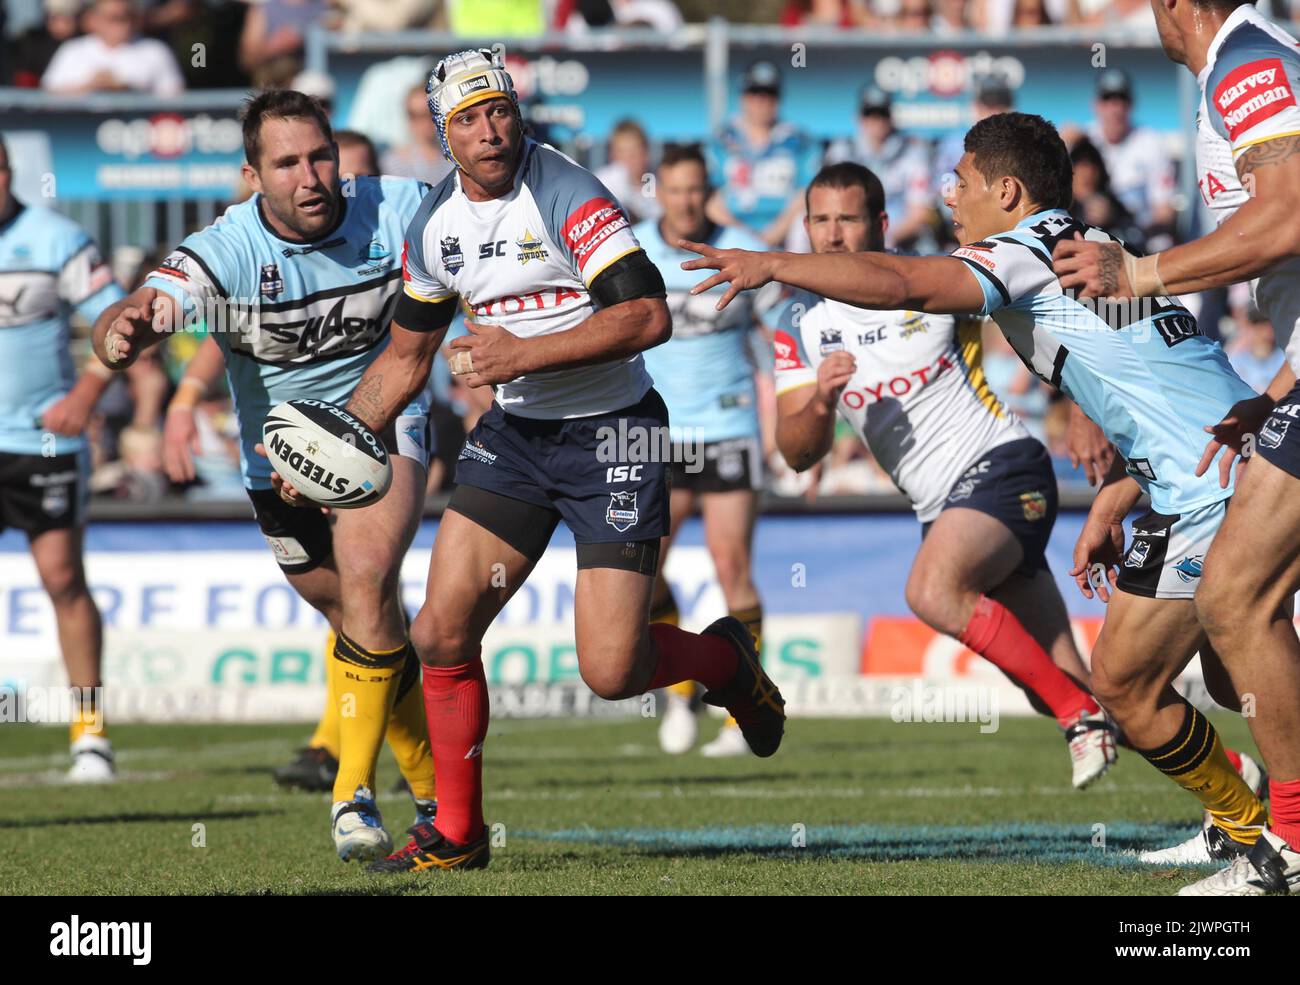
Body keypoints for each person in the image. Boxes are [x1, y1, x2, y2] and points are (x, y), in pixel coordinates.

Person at [681, 110, 1271, 887]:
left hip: (1202, 488)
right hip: (1207, 475)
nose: (949, 198)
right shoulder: (1084, 249)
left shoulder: (1020, 250)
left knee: (1176, 680)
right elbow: (1143, 377)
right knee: (1170, 682)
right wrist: (1117, 495)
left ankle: (1272, 842)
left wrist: (771, 261)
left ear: (1007, 190)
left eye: (959, 184)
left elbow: (900, 282)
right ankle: (1245, 820)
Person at [276, 48, 786, 873]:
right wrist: (337, 438)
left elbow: (649, 316)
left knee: (614, 670)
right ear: (443, 136)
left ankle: (728, 662)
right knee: (440, 632)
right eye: (469, 120)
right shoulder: (436, 225)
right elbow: (406, 359)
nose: (491, 131)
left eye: (500, 111)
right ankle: (459, 831)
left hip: (616, 429)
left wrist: (522, 355)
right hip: (516, 442)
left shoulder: (566, 192)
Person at [91, 89, 439, 863]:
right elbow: (151, 302)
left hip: (382, 420)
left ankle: (352, 796)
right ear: (253, 175)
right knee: (360, 616)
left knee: (370, 570)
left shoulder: (401, 206)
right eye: (287, 163)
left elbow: (484, 226)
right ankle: (437, 792)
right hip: (273, 458)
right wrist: (123, 329)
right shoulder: (229, 247)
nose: (311, 175)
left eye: (321, 156)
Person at [1054, 0, 1300, 896]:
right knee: (1240, 615)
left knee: (1236, 597)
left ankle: (1289, 851)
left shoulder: (1247, 61)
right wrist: (1270, 397)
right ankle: (1275, 835)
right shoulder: (1244, 64)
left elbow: (1287, 219)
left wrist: (1140, 273)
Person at [774, 161, 1116, 787]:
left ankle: (1079, 719)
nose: (832, 235)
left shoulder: (931, 281)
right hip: (946, 508)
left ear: (879, 223)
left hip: (1005, 466)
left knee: (931, 591)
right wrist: (821, 403)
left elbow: (1047, 305)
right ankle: (1234, 789)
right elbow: (796, 452)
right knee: (1067, 682)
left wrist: (1083, 406)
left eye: (847, 219)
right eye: (819, 221)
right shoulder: (799, 323)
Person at [636, 143, 769, 757]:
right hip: (657, 433)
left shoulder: (738, 248)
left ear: (707, 189)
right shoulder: (630, 250)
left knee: (732, 568)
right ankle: (683, 691)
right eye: (676, 188)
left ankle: (748, 710)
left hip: (729, 425)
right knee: (643, 570)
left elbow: (778, 332)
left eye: (697, 189)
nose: (687, 201)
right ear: (657, 191)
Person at [0, 134, 125, 781]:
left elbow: (119, 325)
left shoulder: (54, 239)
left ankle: (90, 730)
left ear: (7, 172)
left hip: (39, 440)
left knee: (61, 578)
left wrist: (85, 392)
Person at [706, 60, 820, 248]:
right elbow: (710, 200)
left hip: (786, 238)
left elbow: (806, 194)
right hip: (733, 234)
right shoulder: (722, 140)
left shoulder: (798, 140)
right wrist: (745, 237)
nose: (761, 101)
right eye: (754, 93)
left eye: (769, 94)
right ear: (743, 96)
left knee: (804, 225)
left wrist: (770, 237)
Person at [824, 87, 935, 250]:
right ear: (859, 118)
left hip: (899, 236)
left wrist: (886, 237)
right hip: (852, 231)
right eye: (870, 114)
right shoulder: (841, 151)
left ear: (891, 117)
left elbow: (919, 214)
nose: (877, 121)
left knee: (928, 243)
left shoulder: (913, 151)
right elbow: (830, 205)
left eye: (882, 114)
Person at [1083, 69, 1177, 238]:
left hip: (1139, 236)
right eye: (1108, 100)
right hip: (1092, 233)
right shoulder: (1085, 141)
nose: (1116, 109)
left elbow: (1165, 211)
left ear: (1131, 105)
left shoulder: (1151, 142)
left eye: (1122, 101)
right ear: (1096, 105)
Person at [41, 0, 184, 96]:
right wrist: (91, 86)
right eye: (114, 18)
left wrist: (128, 91)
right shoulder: (71, 51)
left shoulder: (156, 51)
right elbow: (46, 95)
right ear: (93, 19)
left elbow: (176, 98)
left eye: (127, 17)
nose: (122, 25)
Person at [380, 83, 455, 187]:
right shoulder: (390, 163)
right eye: (414, 115)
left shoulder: (455, 161)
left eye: (430, 114)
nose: (424, 123)